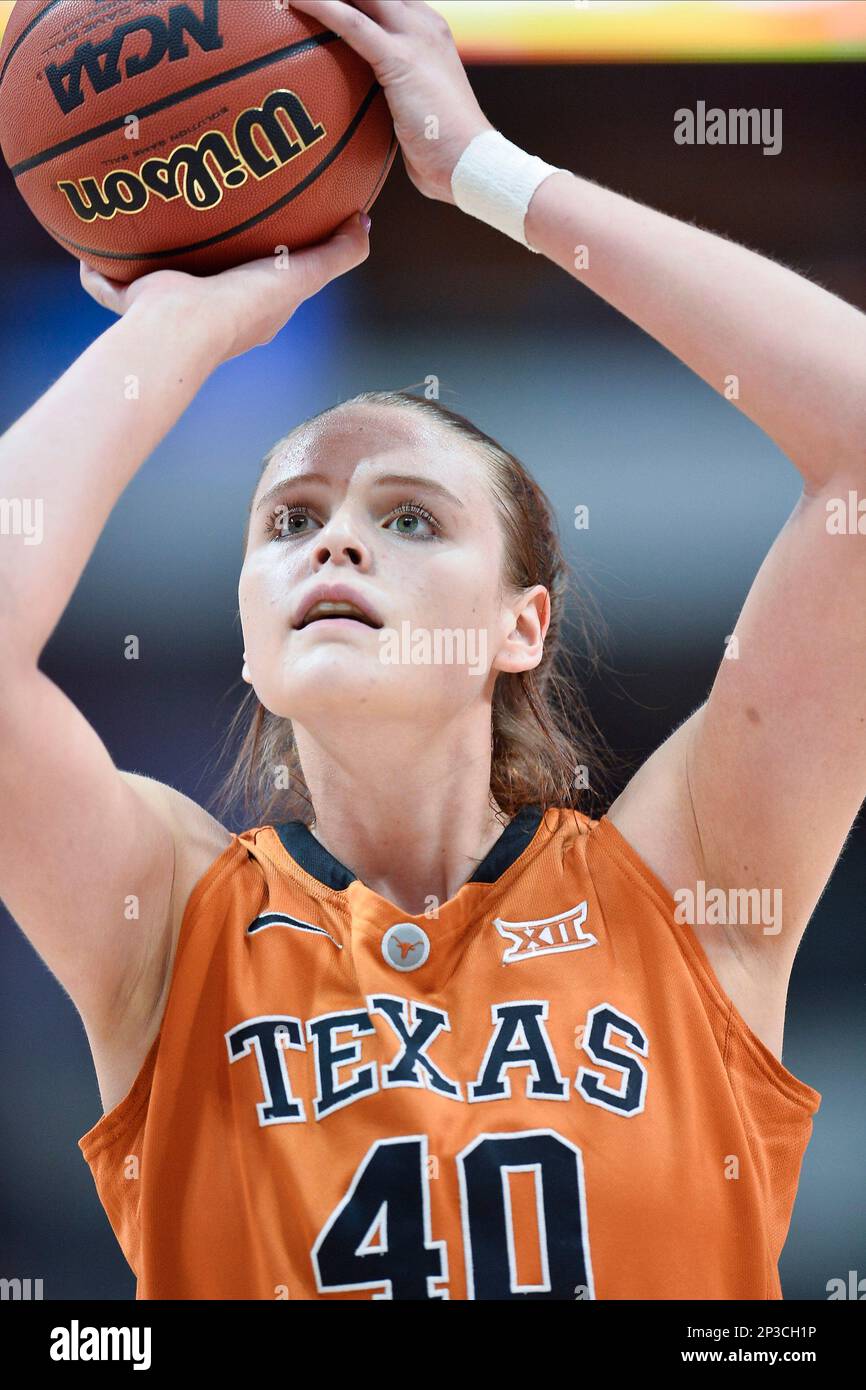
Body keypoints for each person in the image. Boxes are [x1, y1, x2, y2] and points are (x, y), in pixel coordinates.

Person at [2, 0, 863, 1300]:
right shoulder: (170, 924)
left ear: (523, 621)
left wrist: (487, 175)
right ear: (245, 624)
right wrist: (174, 326)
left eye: (406, 514)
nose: (332, 545)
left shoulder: (689, 888)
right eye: (288, 520)